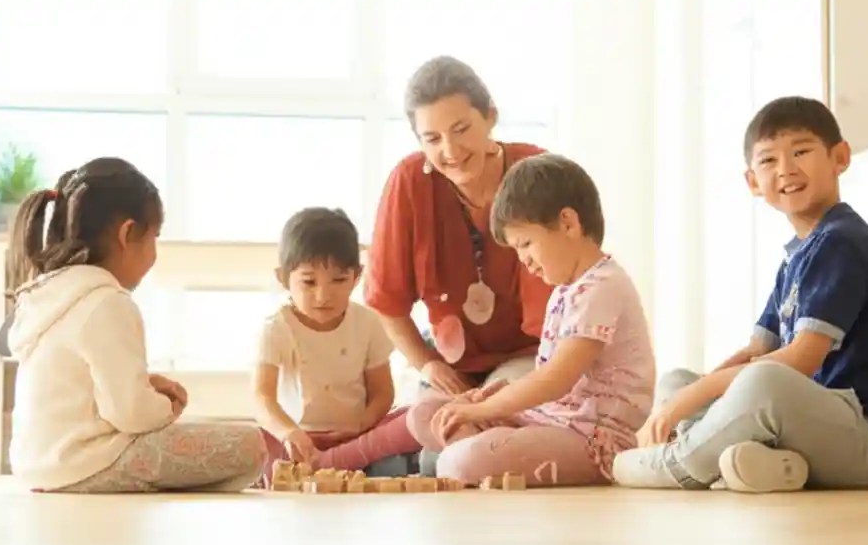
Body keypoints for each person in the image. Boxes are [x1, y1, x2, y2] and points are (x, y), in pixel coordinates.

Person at [612, 96, 868, 493]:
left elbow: (799, 360)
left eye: (801, 151)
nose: (786, 169)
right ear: (753, 182)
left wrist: (696, 398)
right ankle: (765, 466)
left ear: (839, 157)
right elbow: (756, 350)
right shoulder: (798, 255)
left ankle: (682, 461)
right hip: (816, 428)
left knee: (762, 385)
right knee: (678, 380)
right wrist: (691, 394)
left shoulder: (842, 242)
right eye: (769, 161)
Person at [5, 157, 264, 493]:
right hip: (87, 464)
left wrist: (146, 385)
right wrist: (166, 407)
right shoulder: (106, 301)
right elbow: (130, 415)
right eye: (154, 236)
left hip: (37, 466)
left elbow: (80, 388)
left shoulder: (50, 294)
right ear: (127, 234)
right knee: (251, 444)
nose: (155, 253)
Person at [407, 154, 655, 486]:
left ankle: (481, 456)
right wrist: (491, 400)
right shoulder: (568, 289)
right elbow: (552, 388)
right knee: (425, 413)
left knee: (461, 458)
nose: (524, 261)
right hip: (553, 420)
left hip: (591, 437)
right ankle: (487, 454)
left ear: (568, 223)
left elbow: (556, 381)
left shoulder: (602, 287)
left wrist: (484, 411)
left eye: (525, 244)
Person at [366, 55, 553, 398]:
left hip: (530, 357)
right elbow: (385, 299)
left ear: (490, 116)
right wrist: (426, 364)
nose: (450, 150)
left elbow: (568, 287)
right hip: (449, 359)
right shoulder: (409, 182)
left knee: (493, 417)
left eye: (461, 129)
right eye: (432, 139)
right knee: (432, 425)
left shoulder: (535, 172)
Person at [252, 207, 421, 486]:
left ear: (357, 276)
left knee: (410, 417)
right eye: (308, 282)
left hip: (354, 437)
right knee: (254, 444)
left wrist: (362, 423)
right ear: (283, 278)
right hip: (297, 439)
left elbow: (382, 391)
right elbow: (262, 397)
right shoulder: (277, 327)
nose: (323, 295)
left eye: (339, 280)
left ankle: (347, 464)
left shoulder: (367, 322)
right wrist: (289, 433)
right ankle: (321, 467)